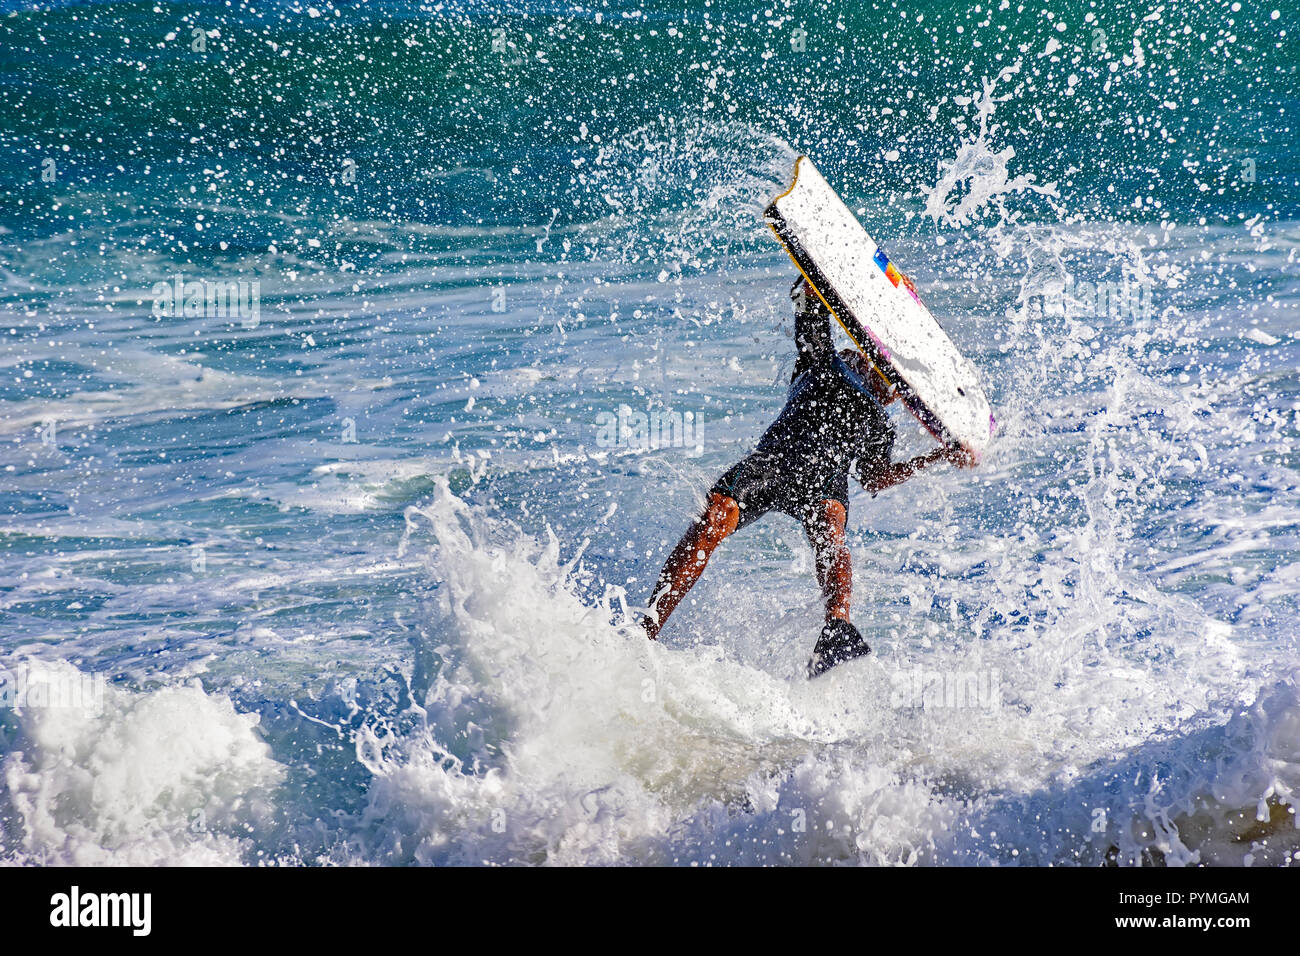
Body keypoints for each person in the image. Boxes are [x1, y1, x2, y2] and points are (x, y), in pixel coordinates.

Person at [643, 277, 974, 677]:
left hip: (824, 484)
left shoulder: (880, 426)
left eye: (898, 385)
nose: (892, 389)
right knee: (714, 518)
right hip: (773, 464)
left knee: (831, 533)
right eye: (889, 375)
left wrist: (937, 456)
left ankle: (838, 627)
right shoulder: (821, 359)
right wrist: (879, 297)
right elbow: (809, 293)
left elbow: (874, 478)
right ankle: (646, 629)